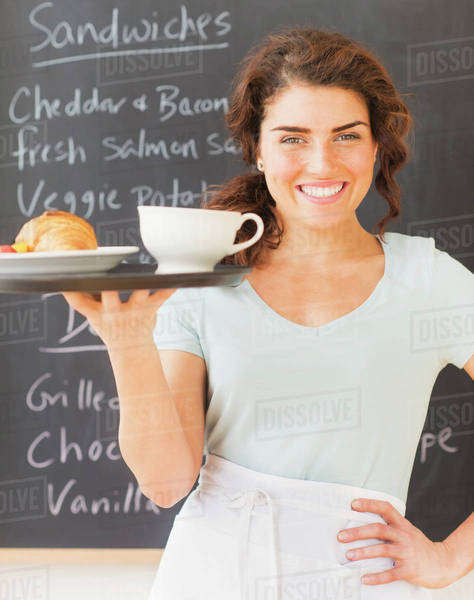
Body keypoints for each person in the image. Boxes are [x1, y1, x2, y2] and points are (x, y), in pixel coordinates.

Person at [63, 27, 474, 600]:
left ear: (376, 145)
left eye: (346, 136)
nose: (322, 162)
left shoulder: (426, 281)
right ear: (258, 149)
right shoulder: (205, 278)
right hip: (210, 575)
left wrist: (452, 558)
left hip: (362, 580)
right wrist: (127, 341)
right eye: (293, 138)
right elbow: (165, 484)